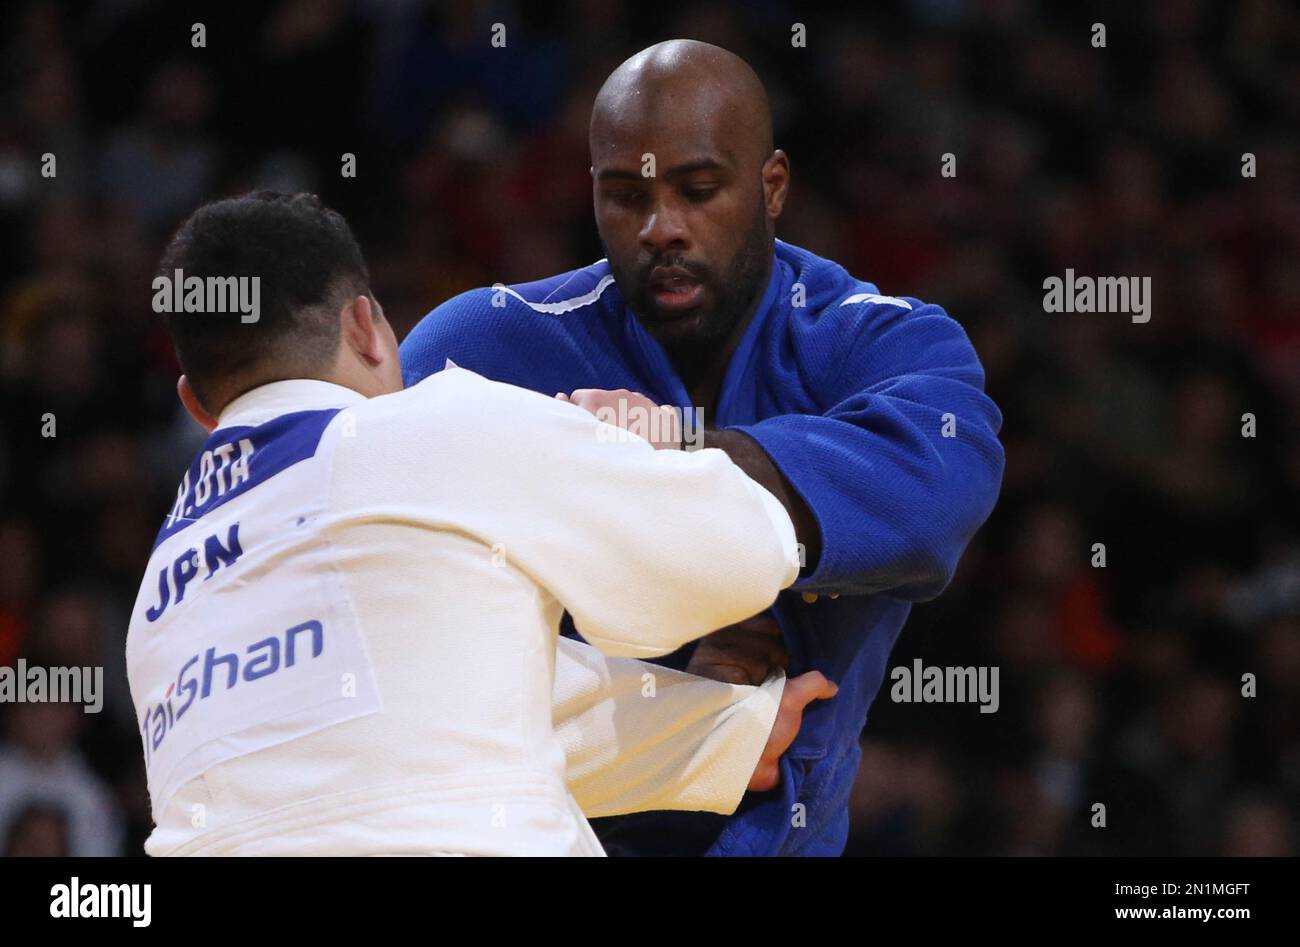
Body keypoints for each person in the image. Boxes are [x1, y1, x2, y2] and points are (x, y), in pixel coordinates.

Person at [400, 40, 1005, 856]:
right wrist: (664, 654)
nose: (661, 228)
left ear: (773, 186)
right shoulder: (484, 344)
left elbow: (944, 481)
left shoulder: (879, 338)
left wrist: (674, 459)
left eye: (699, 189)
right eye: (625, 196)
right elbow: (380, 577)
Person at [127, 190, 836, 856]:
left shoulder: (159, 600)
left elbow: (465, 703)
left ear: (199, 406)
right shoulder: (437, 423)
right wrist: (657, 442)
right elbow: (739, 554)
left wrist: (730, 733)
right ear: (365, 327)